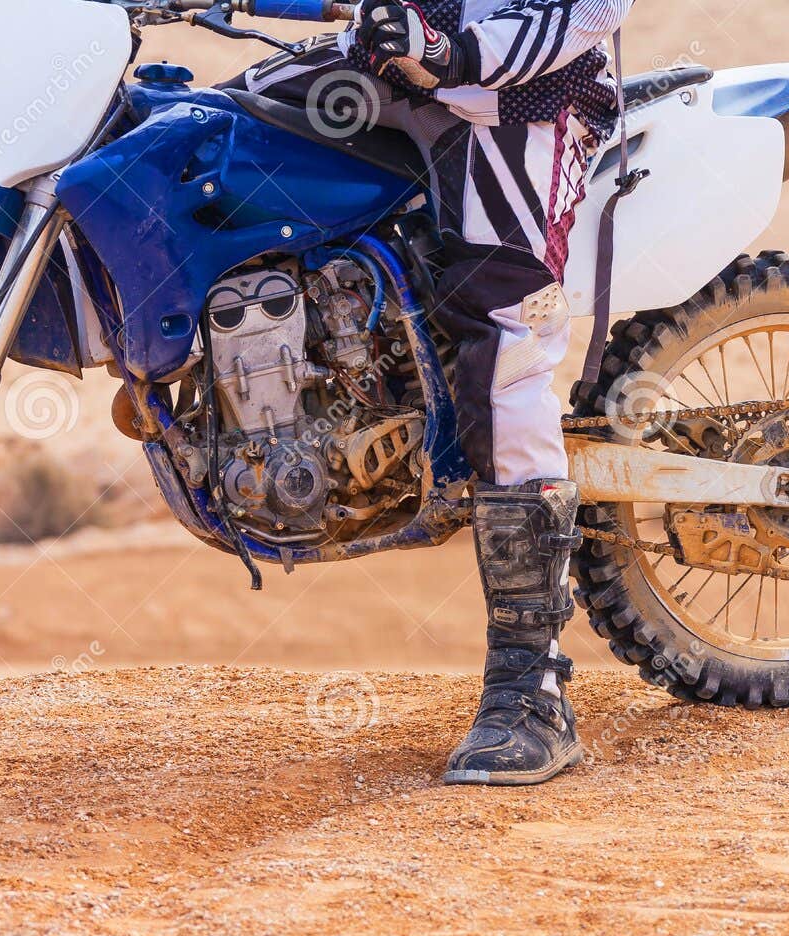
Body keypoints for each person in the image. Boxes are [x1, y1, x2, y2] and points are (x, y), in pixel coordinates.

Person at [234, 0, 634, 786]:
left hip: (520, 100)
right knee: (205, 137)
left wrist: (452, 51)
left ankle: (535, 692)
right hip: (394, 67)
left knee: (505, 330)